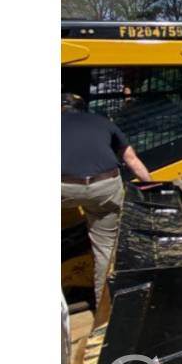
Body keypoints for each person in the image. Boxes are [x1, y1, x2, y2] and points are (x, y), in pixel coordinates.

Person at [61, 93, 153, 297]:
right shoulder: (102, 121)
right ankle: (105, 304)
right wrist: (151, 187)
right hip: (105, 186)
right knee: (106, 247)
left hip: (64, 187)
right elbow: (131, 159)